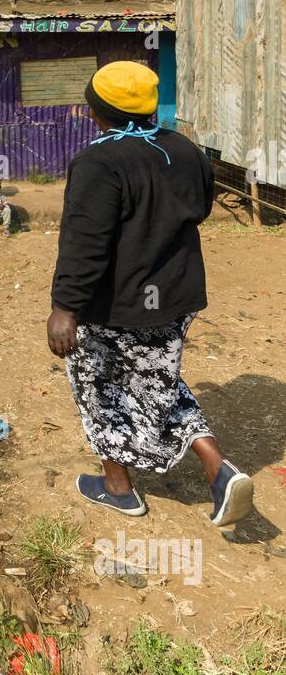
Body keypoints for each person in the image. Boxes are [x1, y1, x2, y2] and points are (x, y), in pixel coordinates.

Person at [47, 60, 253, 526]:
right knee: (157, 381)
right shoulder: (184, 149)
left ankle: (118, 488)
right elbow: (196, 209)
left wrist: (65, 308)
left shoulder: (99, 161)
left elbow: (84, 242)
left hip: (115, 305)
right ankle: (220, 471)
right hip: (173, 297)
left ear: (96, 110)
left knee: (99, 388)